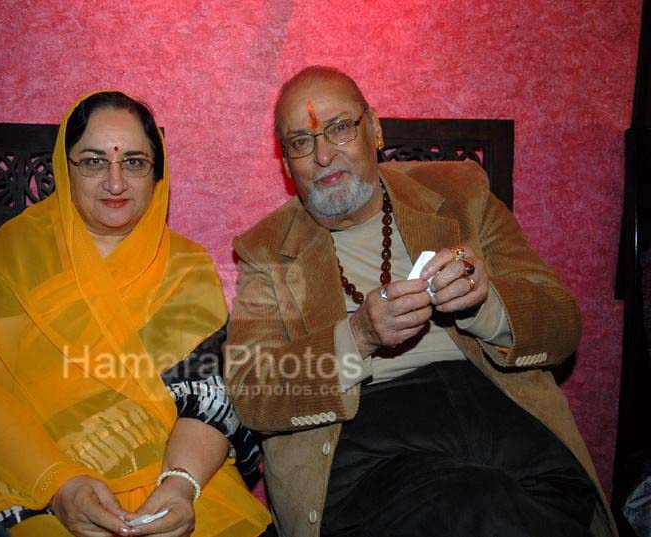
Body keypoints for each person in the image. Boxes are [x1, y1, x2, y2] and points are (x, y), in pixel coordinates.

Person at [224, 66, 617, 537]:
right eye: (301, 142)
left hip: (503, 412)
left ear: (375, 129)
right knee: (480, 503)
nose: (324, 155)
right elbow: (251, 392)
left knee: (504, 502)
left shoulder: (460, 193)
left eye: (340, 128)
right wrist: (357, 337)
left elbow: (562, 324)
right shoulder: (266, 248)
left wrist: (486, 303)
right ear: (287, 164)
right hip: (368, 447)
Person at [0, 91, 270, 537]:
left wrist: (180, 485)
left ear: (157, 173)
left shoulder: (185, 268)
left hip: (174, 476)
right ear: (65, 168)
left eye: (133, 162)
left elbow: (209, 395)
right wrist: (60, 484)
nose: (115, 183)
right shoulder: (16, 255)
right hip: (37, 479)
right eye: (94, 162)